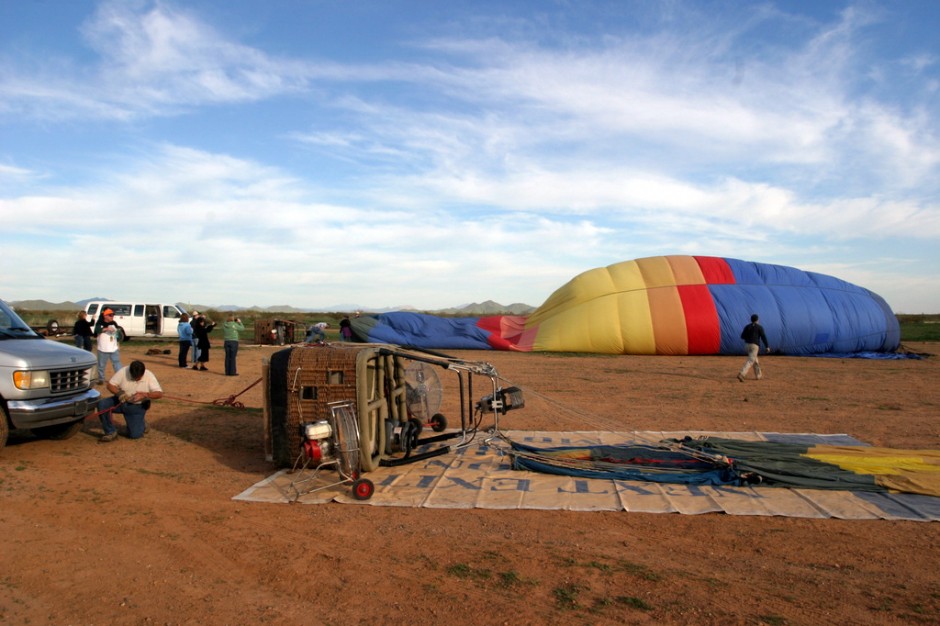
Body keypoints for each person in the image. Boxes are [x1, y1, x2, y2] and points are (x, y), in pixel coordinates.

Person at [97, 360, 163, 442]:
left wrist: (145, 395)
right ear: (130, 371)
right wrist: (120, 393)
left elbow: (159, 394)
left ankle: (141, 423)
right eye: (134, 377)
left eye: (139, 378)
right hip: (120, 402)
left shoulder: (149, 375)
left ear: (143, 372)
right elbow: (110, 385)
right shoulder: (123, 371)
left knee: (135, 435)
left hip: (137, 407)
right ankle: (110, 432)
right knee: (102, 404)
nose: (136, 379)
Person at [93, 308, 124, 383]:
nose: (112, 316)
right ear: (105, 316)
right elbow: (96, 331)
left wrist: (118, 332)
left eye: (113, 315)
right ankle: (101, 379)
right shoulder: (99, 323)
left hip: (113, 348)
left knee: (117, 364)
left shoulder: (114, 323)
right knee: (101, 365)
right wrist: (106, 329)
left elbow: (118, 336)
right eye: (110, 315)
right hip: (103, 349)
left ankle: (120, 379)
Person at [738, 313, 770, 381]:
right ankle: (742, 373)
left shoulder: (747, 326)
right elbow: (763, 337)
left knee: (754, 359)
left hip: (747, 345)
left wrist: (748, 337)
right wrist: (767, 346)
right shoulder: (759, 327)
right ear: (757, 320)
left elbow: (742, 336)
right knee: (751, 360)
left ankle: (758, 375)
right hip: (754, 345)